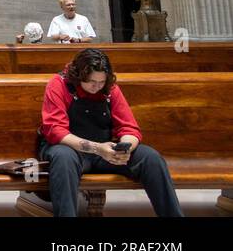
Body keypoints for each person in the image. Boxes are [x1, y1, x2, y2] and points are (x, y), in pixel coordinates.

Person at [38, 47, 182, 217]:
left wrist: (125, 148)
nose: (96, 87)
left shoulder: (109, 88)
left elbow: (129, 127)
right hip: (69, 148)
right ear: (78, 76)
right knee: (63, 158)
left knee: (150, 157)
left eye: (101, 82)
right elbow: (55, 130)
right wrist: (98, 148)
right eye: (91, 82)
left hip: (104, 152)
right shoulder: (59, 84)